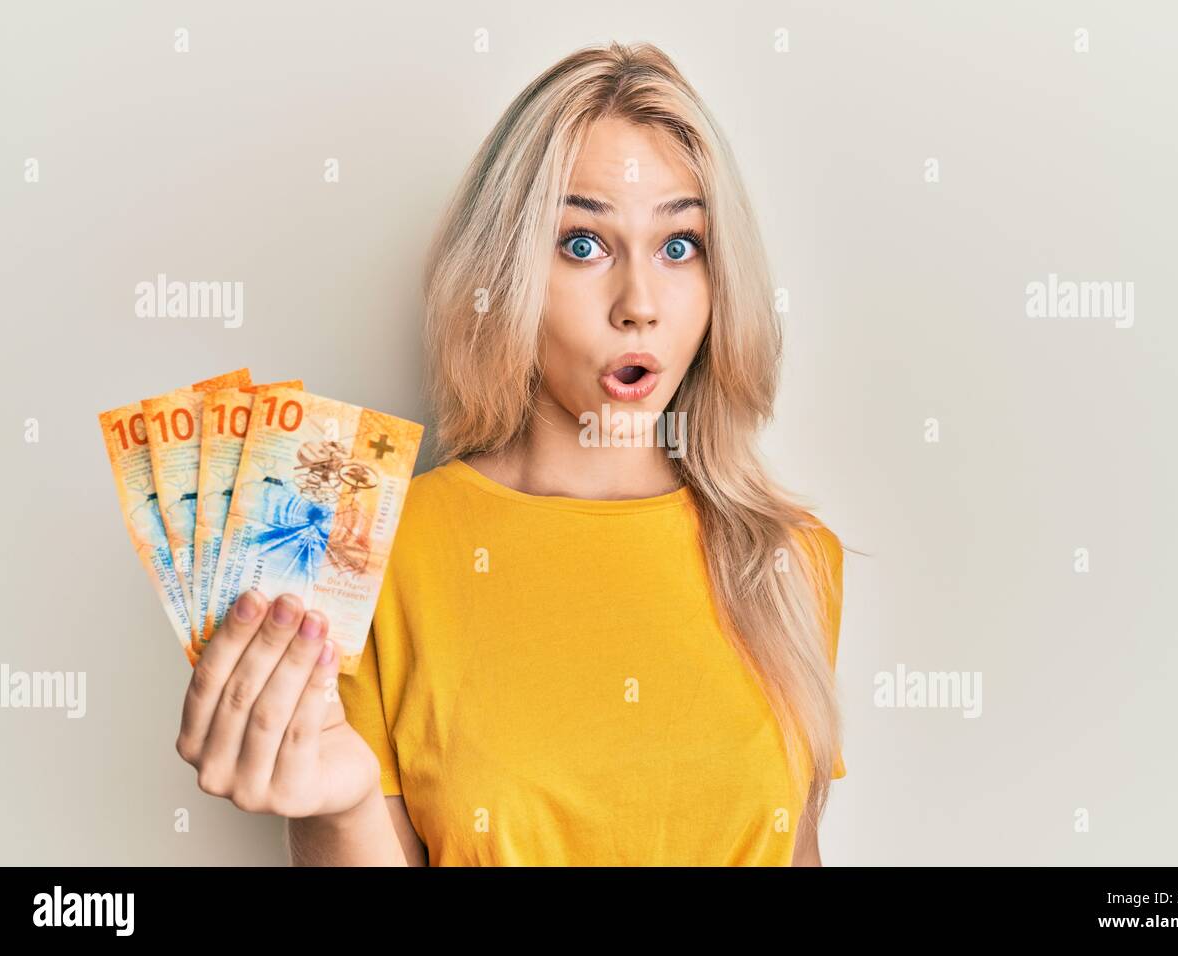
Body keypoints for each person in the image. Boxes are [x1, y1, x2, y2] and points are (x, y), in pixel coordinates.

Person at [175, 40, 847, 866]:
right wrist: (340, 808)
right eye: (583, 244)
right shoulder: (370, 549)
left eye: (680, 246)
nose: (640, 304)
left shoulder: (790, 561)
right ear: (506, 268)